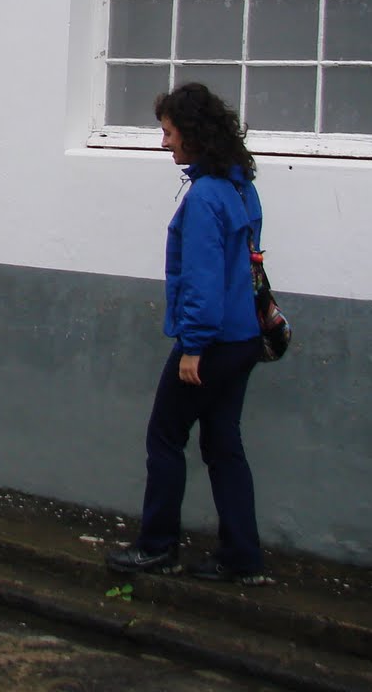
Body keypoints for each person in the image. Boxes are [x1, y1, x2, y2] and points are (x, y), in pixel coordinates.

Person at [107, 83, 268, 585]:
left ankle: (158, 547)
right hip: (243, 339)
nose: (164, 143)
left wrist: (192, 347)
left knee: (165, 438)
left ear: (193, 134)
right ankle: (242, 556)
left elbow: (201, 279)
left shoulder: (205, 197)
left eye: (169, 132)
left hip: (212, 342)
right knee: (224, 445)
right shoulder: (242, 185)